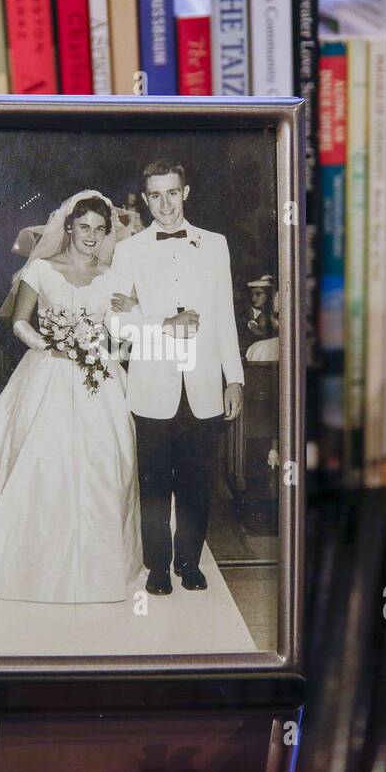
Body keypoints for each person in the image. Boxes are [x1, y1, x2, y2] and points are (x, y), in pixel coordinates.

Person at [0, 191, 144, 603]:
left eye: (99, 228)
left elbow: (124, 335)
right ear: (69, 228)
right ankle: (29, 560)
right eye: (84, 227)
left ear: (107, 232)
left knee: (104, 461)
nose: (91, 236)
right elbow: (20, 322)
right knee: (42, 459)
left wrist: (114, 347)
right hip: (48, 370)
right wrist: (50, 345)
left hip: (99, 376)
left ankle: (100, 564)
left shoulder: (114, 275)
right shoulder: (40, 269)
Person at [108, 160, 245, 595]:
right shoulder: (128, 251)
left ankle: (189, 561)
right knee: (153, 483)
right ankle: (157, 566)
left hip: (203, 385)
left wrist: (234, 378)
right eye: (155, 195)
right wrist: (164, 322)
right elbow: (115, 323)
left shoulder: (216, 244)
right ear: (145, 199)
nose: (165, 204)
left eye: (172, 193)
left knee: (196, 480)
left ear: (185, 193)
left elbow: (224, 316)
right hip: (151, 386)